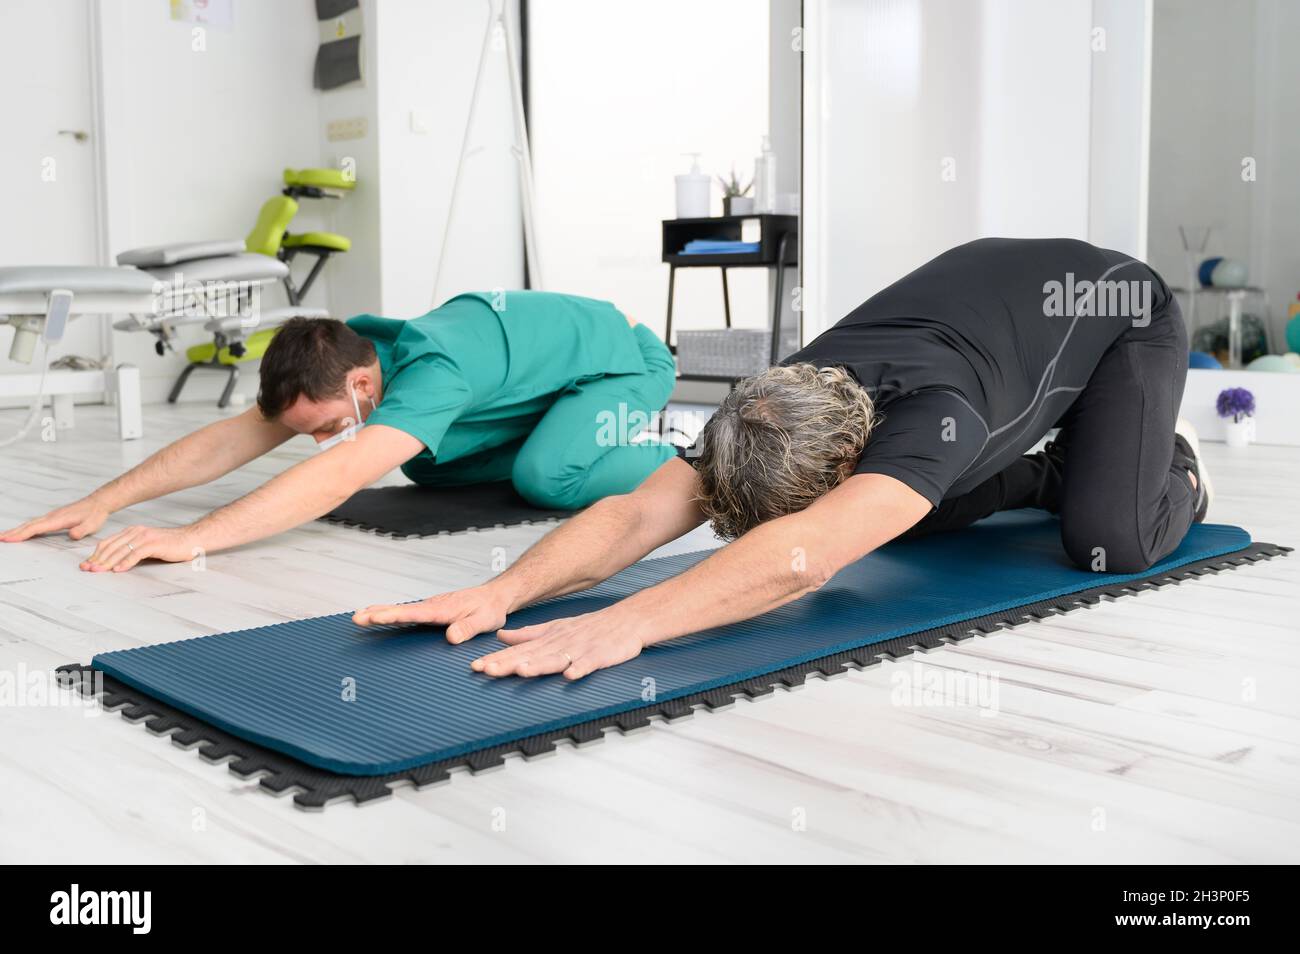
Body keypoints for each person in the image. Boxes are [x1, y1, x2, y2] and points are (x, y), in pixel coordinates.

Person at [351, 238, 1211, 681]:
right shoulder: (766, 406)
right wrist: (502, 589)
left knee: (1111, 538)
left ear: (853, 453)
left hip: (1118, 307)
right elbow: (639, 512)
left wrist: (632, 621)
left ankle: (1160, 461)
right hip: (990, 296)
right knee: (908, 522)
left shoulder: (930, 420)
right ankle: (1064, 467)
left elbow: (805, 561)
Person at [1, 290, 677, 571]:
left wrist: (193, 538)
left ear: (359, 388)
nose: (322, 440)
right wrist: (104, 499)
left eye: (324, 428)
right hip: (541, 385)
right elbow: (231, 438)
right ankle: (562, 438)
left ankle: (681, 454)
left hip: (622, 366)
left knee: (545, 478)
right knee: (424, 464)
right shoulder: (351, 354)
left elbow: (341, 475)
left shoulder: (435, 370)